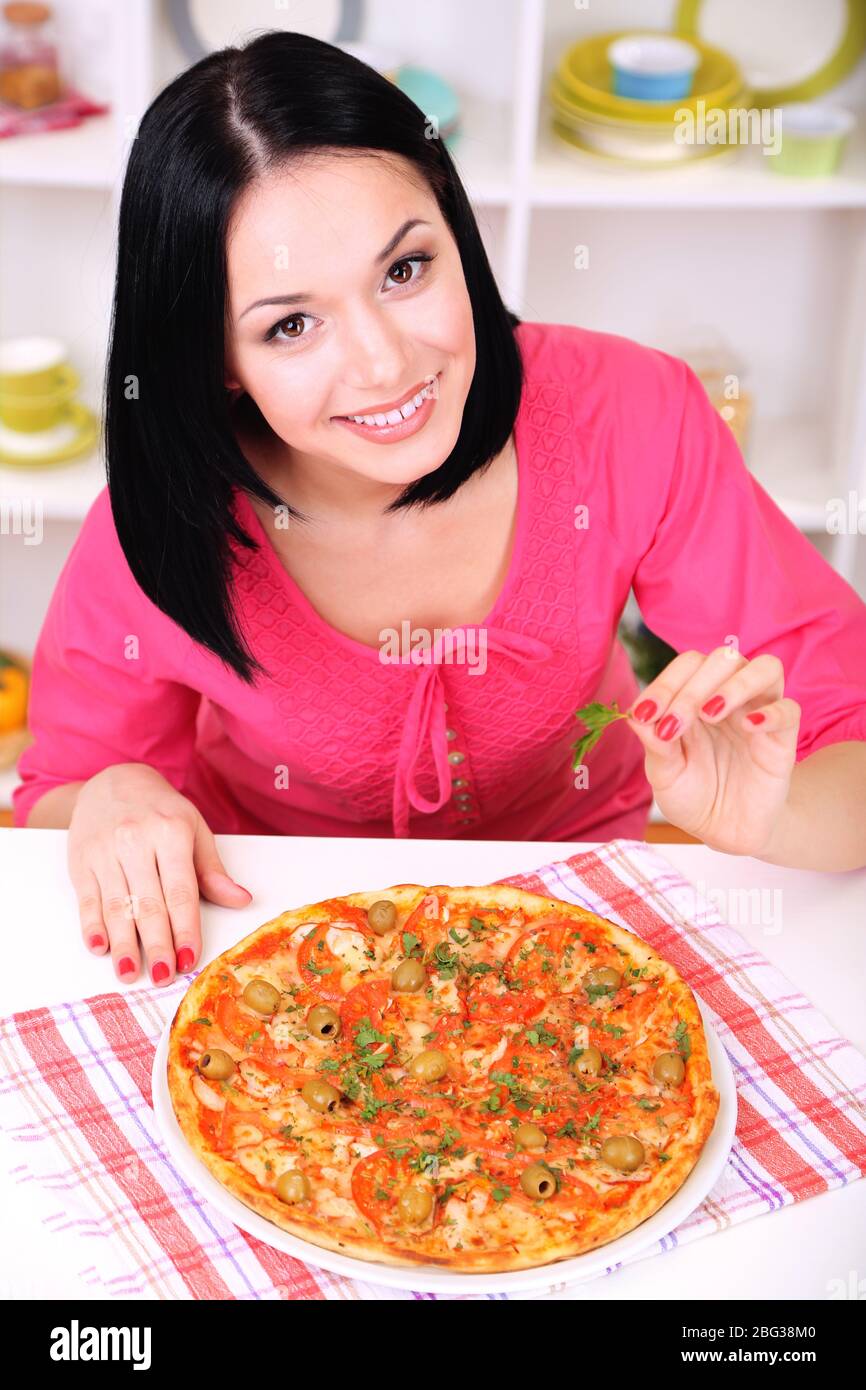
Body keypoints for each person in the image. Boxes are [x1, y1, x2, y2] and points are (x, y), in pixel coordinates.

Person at [13, 33, 866, 989]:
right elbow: (61, 792)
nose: (384, 364)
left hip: (581, 905)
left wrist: (770, 816)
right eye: (290, 326)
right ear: (215, 361)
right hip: (268, 931)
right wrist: (112, 798)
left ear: (456, 232)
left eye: (405, 270)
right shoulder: (162, 516)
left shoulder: (632, 413)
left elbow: (849, 729)